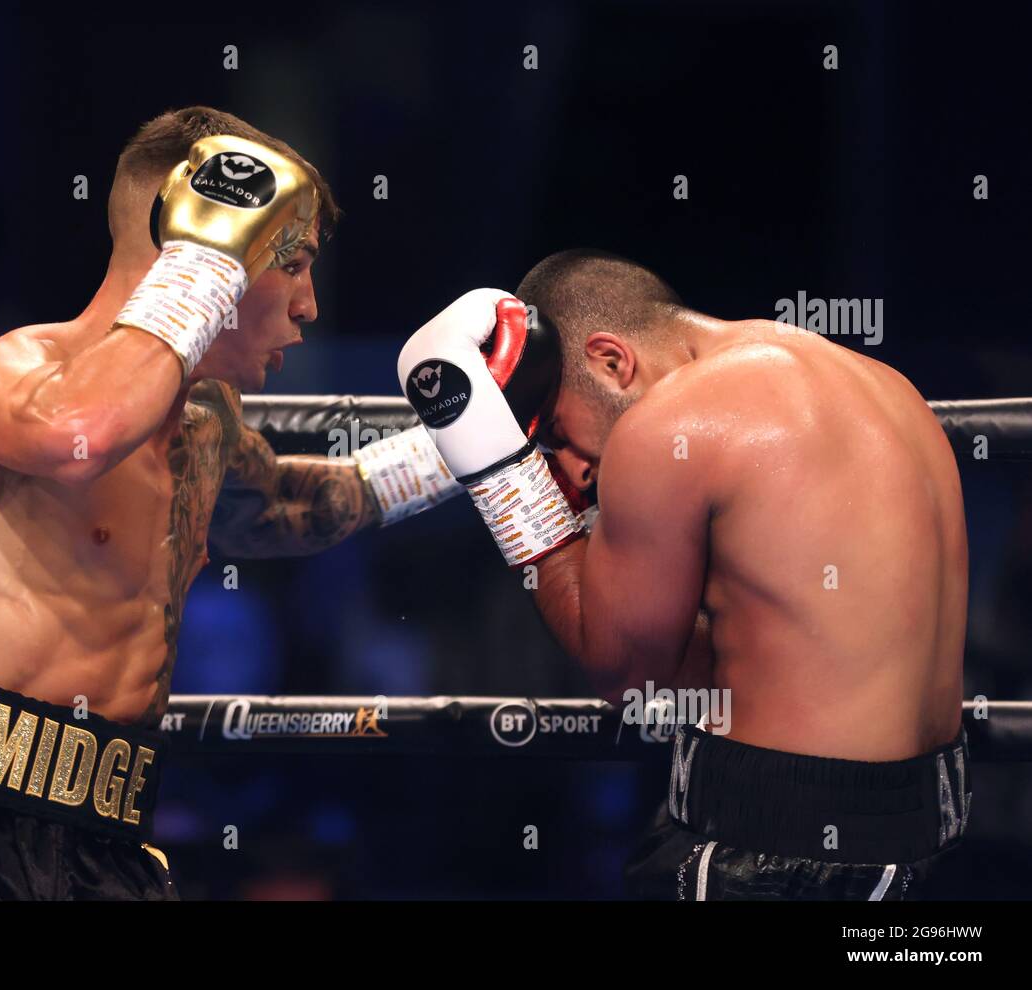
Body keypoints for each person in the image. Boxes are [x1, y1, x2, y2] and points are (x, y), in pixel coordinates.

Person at [0, 107, 457, 901]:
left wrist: (471, 443)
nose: (308, 304)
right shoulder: (3, 372)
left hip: (108, 834)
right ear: (196, 230)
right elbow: (79, 432)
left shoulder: (207, 421)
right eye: (290, 259)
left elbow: (287, 502)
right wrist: (203, 268)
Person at [397, 250, 970, 900]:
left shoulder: (670, 424)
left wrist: (508, 484)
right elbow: (785, 643)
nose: (576, 469)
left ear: (611, 361)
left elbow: (621, 670)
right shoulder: (883, 385)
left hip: (781, 849)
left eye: (556, 430)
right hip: (927, 830)